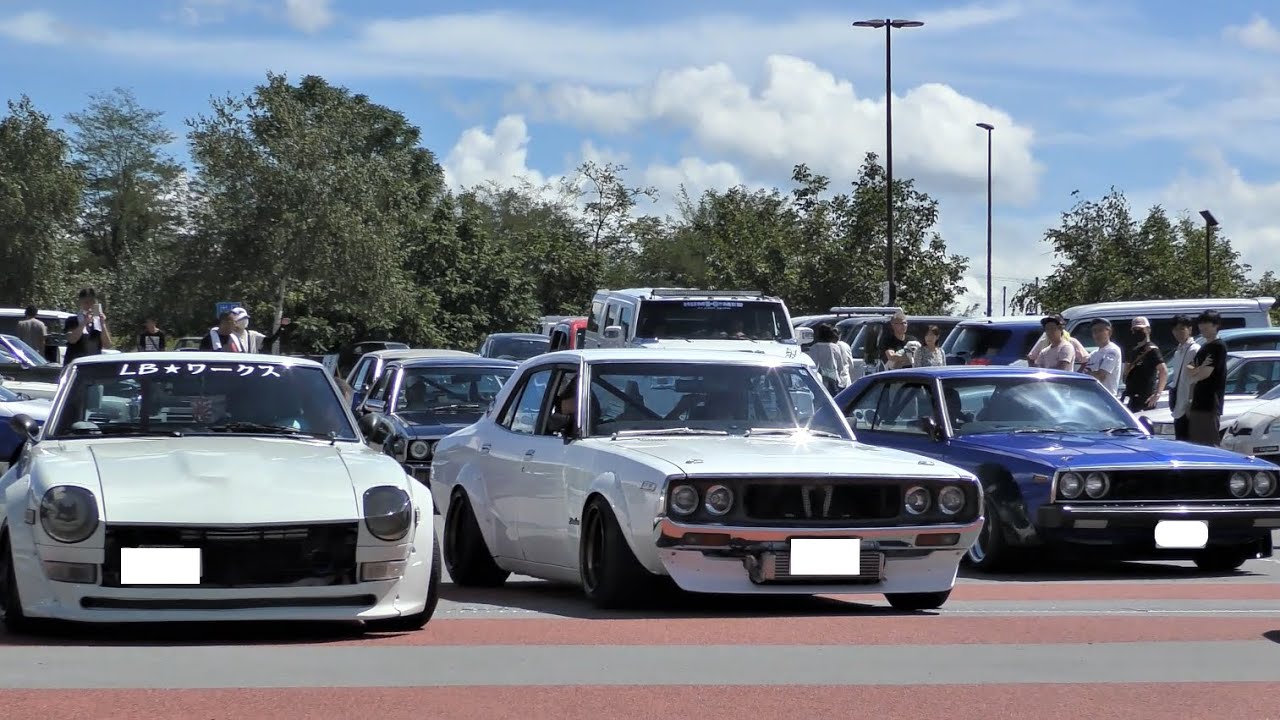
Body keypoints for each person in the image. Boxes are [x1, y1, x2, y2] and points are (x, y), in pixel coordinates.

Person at [1184, 310, 1228, 446]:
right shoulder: (1204, 347)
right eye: (1201, 323)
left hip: (1210, 403)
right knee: (1196, 442)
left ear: (1216, 326)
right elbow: (1189, 369)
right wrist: (1198, 370)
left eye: (1206, 324)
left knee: (1210, 442)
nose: (1202, 327)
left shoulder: (1218, 347)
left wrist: (1197, 371)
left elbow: (1205, 373)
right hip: (1197, 401)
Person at [1120, 316, 1167, 412]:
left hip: (1146, 399)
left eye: (1140, 329)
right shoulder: (1134, 350)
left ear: (1148, 330)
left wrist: (1157, 394)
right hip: (1133, 398)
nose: (1137, 332)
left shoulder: (1151, 350)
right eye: (1135, 329)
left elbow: (1163, 371)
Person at [1166, 315, 1201, 441]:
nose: (1178, 333)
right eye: (1175, 330)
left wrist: (1191, 402)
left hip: (1188, 406)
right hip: (1178, 405)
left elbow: (1196, 378)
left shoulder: (1194, 350)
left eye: (1182, 329)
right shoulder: (1178, 351)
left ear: (1190, 329)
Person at [63, 288, 113, 366]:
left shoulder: (99, 323)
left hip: (93, 365)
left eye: (92, 302)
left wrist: (102, 324)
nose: (89, 306)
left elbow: (107, 345)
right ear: (80, 303)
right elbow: (72, 339)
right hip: (75, 364)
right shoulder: (72, 320)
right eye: (86, 303)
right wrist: (84, 322)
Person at [1082, 318, 1123, 396]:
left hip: (1106, 396)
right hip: (1093, 395)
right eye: (1094, 331)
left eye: (1100, 330)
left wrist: (1087, 375)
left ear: (1109, 332)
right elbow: (1085, 371)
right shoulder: (1094, 354)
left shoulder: (1112, 350)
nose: (1097, 334)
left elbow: (1101, 375)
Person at [227, 307, 291, 354]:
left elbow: (269, 340)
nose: (244, 321)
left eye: (246, 318)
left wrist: (282, 327)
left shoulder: (252, 334)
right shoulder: (229, 335)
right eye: (241, 319)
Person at [808, 323, 850, 393]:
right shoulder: (834, 347)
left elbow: (813, 364)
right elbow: (840, 366)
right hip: (833, 378)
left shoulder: (814, 347)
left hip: (819, 378)